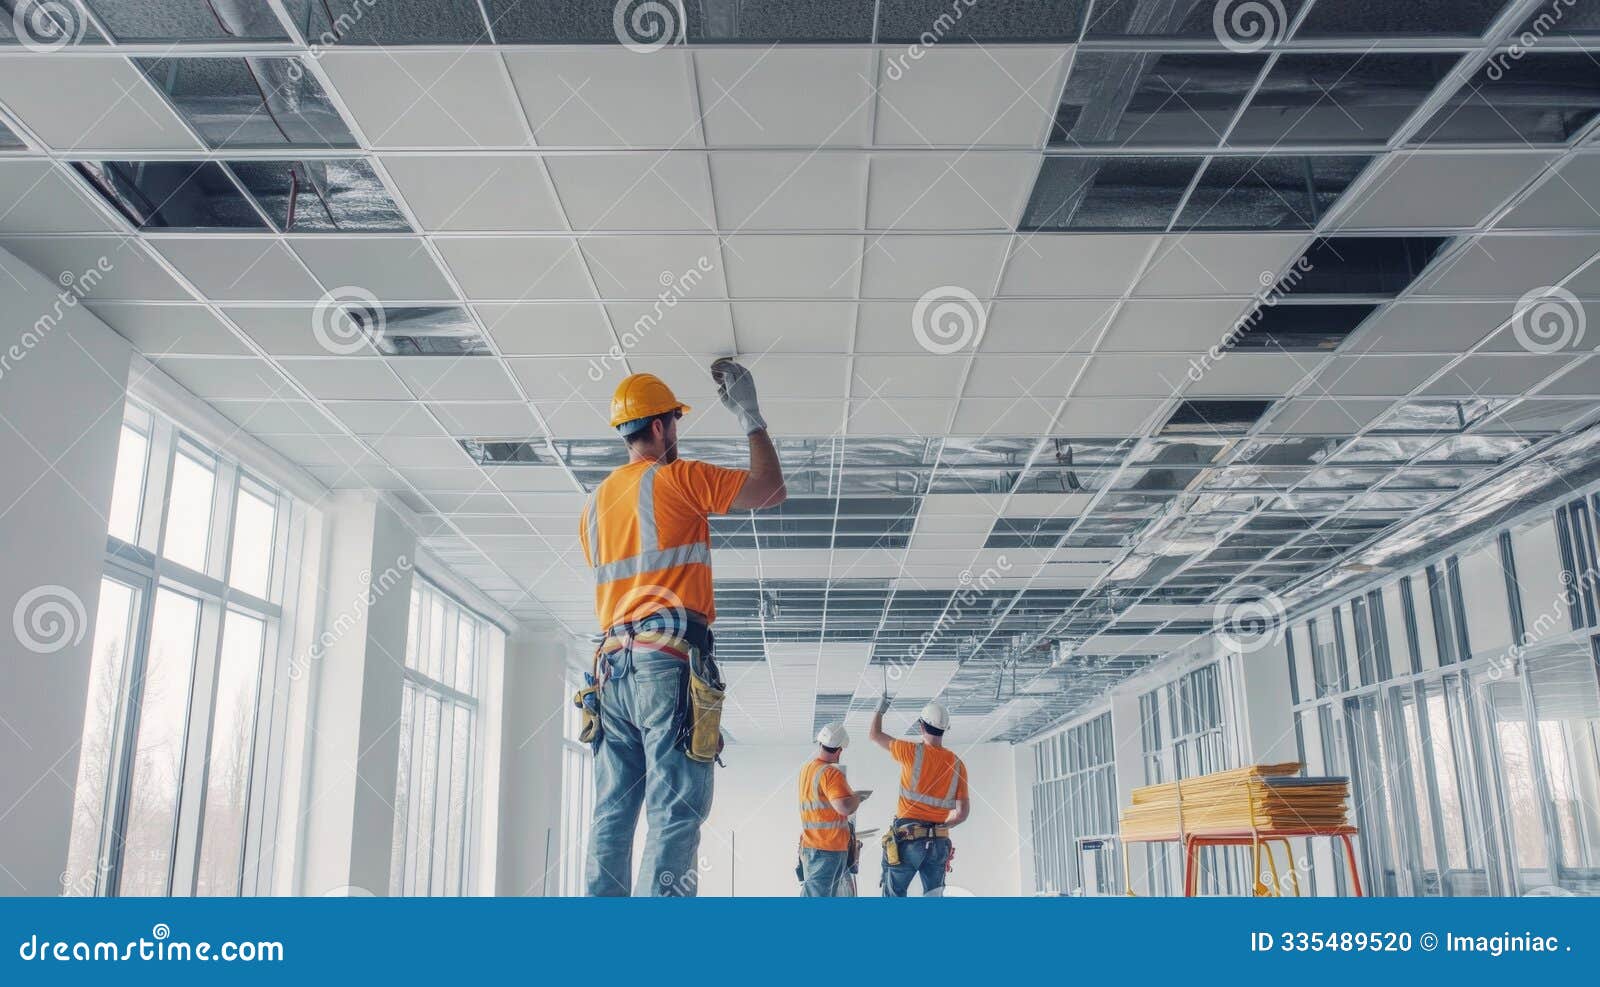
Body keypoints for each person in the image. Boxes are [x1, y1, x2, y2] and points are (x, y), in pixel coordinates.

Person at [579, 360, 785, 896]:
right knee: (674, 811)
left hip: (609, 672)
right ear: (658, 426)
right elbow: (769, 490)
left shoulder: (594, 505)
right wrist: (750, 416)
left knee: (611, 812)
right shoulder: (678, 478)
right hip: (664, 664)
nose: (677, 432)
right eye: (674, 421)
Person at [868, 698, 970, 896]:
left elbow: (875, 735)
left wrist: (879, 710)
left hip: (908, 839)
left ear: (921, 726)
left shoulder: (911, 752)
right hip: (938, 844)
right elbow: (962, 813)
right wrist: (941, 827)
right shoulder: (957, 765)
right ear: (945, 729)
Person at [798, 722, 869, 897]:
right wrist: (857, 798)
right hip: (828, 848)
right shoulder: (831, 773)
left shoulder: (808, 769)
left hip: (812, 846)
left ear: (820, 744)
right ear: (839, 750)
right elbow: (844, 808)